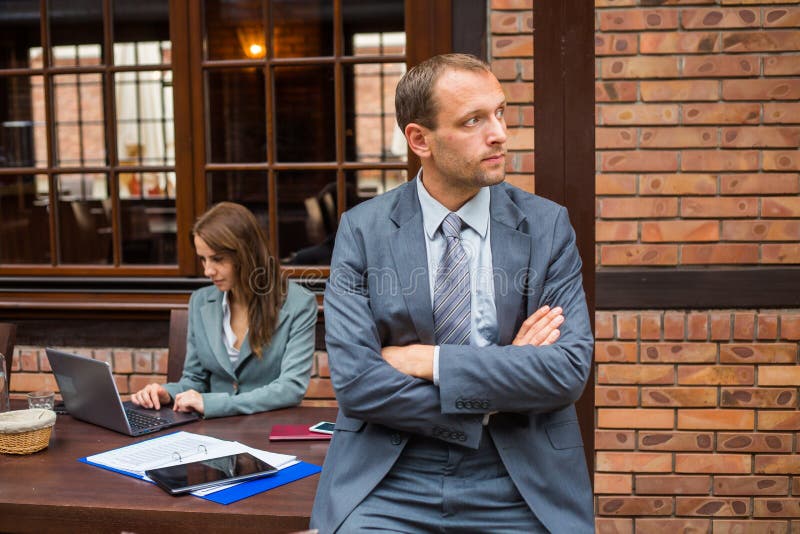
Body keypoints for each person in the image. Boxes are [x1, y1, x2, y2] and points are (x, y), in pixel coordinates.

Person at [310, 54, 594, 533]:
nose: (499, 133)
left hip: (519, 476)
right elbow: (358, 384)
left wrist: (431, 361)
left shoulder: (547, 226)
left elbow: (565, 372)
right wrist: (497, 387)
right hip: (391, 475)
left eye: (500, 112)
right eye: (473, 121)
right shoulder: (361, 230)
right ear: (420, 139)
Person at [131, 202, 318, 418]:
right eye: (203, 259)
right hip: (209, 429)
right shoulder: (200, 301)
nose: (208, 271)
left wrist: (215, 404)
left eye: (217, 259)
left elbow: (291, 388)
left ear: (246, 254)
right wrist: (167, 393)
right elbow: (195, 380)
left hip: (267, 426)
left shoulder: (298, 303)